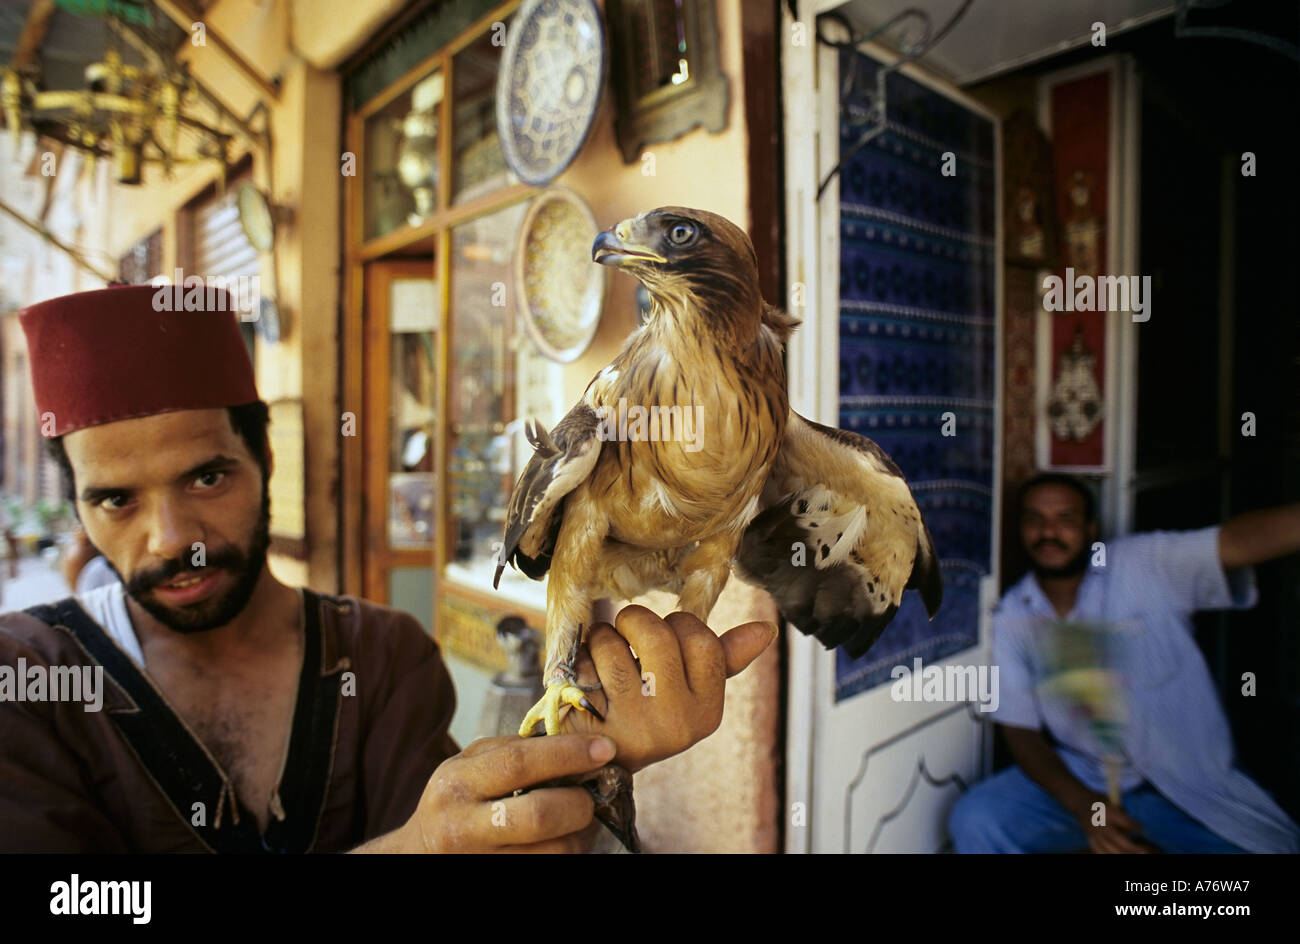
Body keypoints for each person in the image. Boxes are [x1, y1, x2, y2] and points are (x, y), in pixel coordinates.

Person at [0, 284, 776, 853]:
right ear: (74, 505)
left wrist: (593, 757)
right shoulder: (25, 679)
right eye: (115, 500)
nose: (173, 539)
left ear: (265, 459)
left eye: (207, 478)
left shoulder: (380, 658)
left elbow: (482, 841)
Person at [948, 472, 1300, 854]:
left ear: (1090, 528)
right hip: (1085, 777)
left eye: (1065, 519)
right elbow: (1020, 731)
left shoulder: (1141, 564)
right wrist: (1083, 804)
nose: (1048, 533)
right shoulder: (1014, 614)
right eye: (1035, 519)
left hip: (1191, 787)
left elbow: (1235, 543)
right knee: (978, 819)